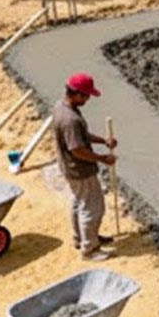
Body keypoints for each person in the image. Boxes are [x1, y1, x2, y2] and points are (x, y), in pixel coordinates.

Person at [53, 72, 118, 261]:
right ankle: (90, 249)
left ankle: (81, 238)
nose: (88, 99)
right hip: (79, 169)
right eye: (87, 96)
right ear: (77, 94)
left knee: (78, 202)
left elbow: (81, 136)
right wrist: (102, 159)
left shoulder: (62, 107)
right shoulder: (70, 119)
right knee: (92, 207)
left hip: (69, 168)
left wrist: (103, 141)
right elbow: (77, 149)